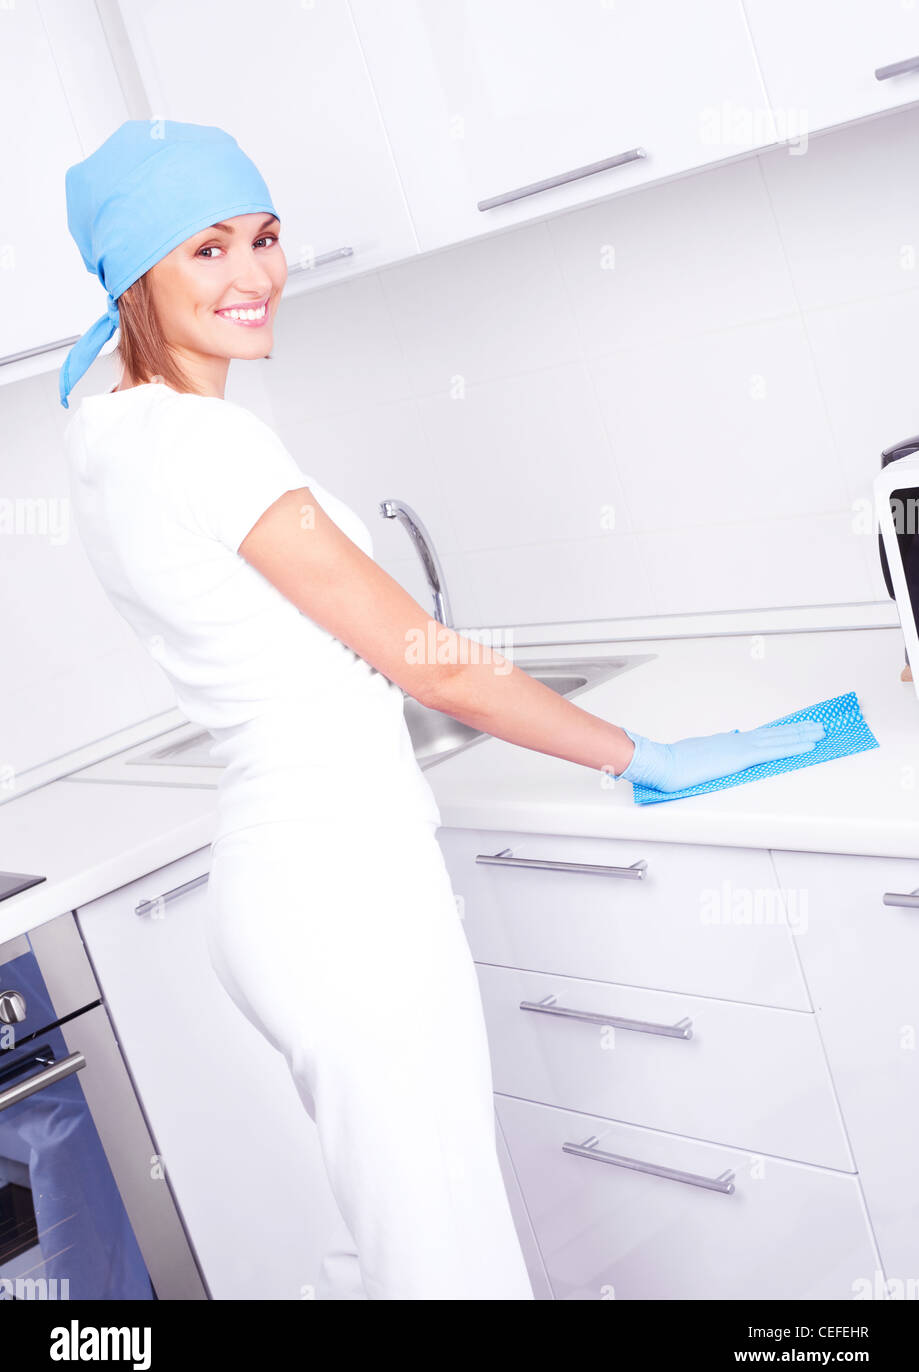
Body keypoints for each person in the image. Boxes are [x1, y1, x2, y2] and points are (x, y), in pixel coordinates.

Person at [58, 120, 825, 1301]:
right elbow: (433, 663)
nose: (255, 275)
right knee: (443, 1263)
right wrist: (640, 752)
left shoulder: (106, 432)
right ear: (136, 273)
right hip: (342, 891)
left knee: (382, 1247)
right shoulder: (204, 444)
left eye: (262, 238)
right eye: (205, 249)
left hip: (284, 885)